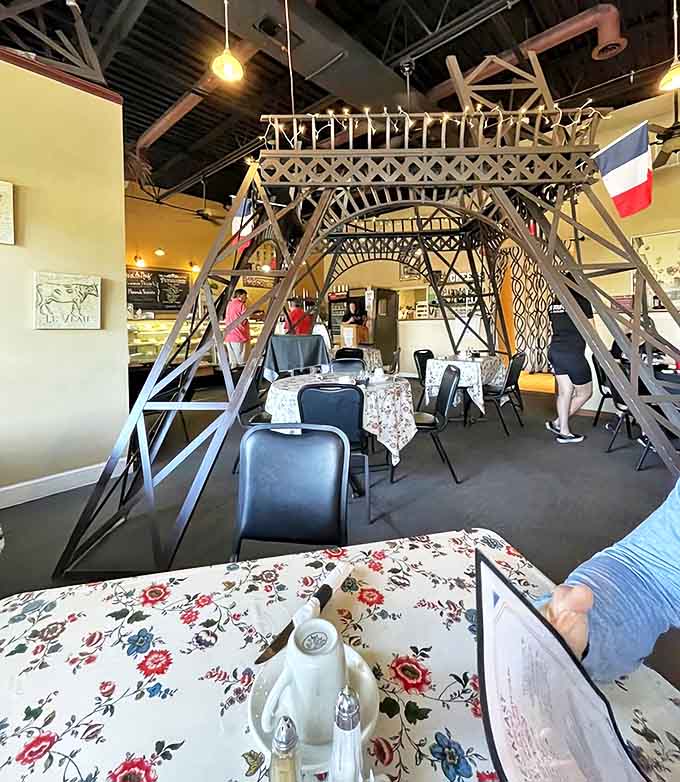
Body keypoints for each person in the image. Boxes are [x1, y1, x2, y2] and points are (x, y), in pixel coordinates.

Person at [541, 477, 680, 682]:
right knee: (565, 627)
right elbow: (642, 570)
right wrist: (579, 630)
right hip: (644, 566)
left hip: (649, 574)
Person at [545, 274, 594, 444]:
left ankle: (562, 428)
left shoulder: (554, 304)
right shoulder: (582, 302)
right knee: (586, 392)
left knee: (565, 391)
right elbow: (591, 331)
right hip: (572, 353)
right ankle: (560, 424)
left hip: (555, 351)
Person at [223, 288, 250, 367]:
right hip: (239, 336)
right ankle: (242, 378)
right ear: (240, 296)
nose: (246, 298)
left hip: (229, 336)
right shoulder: (241, 304)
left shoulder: (229, 304)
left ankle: (233, 378)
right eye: (245, 296)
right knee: (242, 363)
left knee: (233, 363)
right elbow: (246, 318)